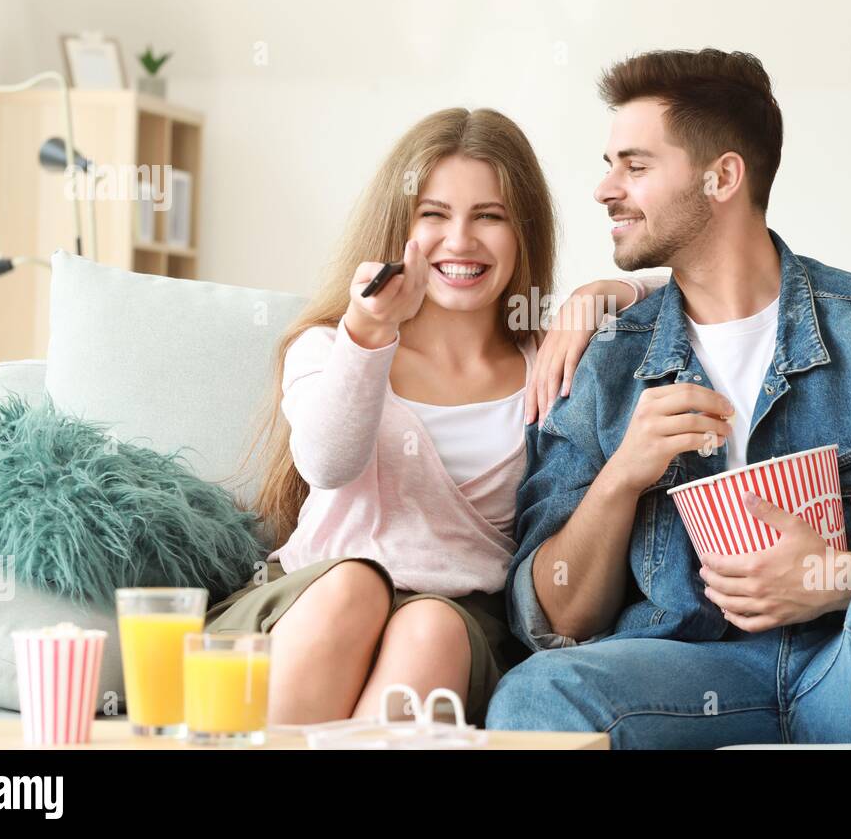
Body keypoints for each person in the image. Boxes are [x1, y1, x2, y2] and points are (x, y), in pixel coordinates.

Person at [485, 48, 851, 748]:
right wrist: (621, 479)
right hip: (685, 672)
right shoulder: (604, 361)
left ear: (723, 176)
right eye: (611, 165)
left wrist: (837, 577)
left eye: (634, 166)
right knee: (536, 695)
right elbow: (558, 617)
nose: (605, 189)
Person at [209, 106, 655, 728]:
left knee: (432, 627)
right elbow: (328, 464)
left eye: (489, 217)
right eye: (434, 215)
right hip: (310, 601)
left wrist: (607, 292)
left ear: (523, 231)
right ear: (400, 227)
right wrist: (368, 333)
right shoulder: (330, 345)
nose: (461, 242)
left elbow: (698, 287)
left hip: (460, 624)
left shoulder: (549, 362)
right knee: (354, 588)